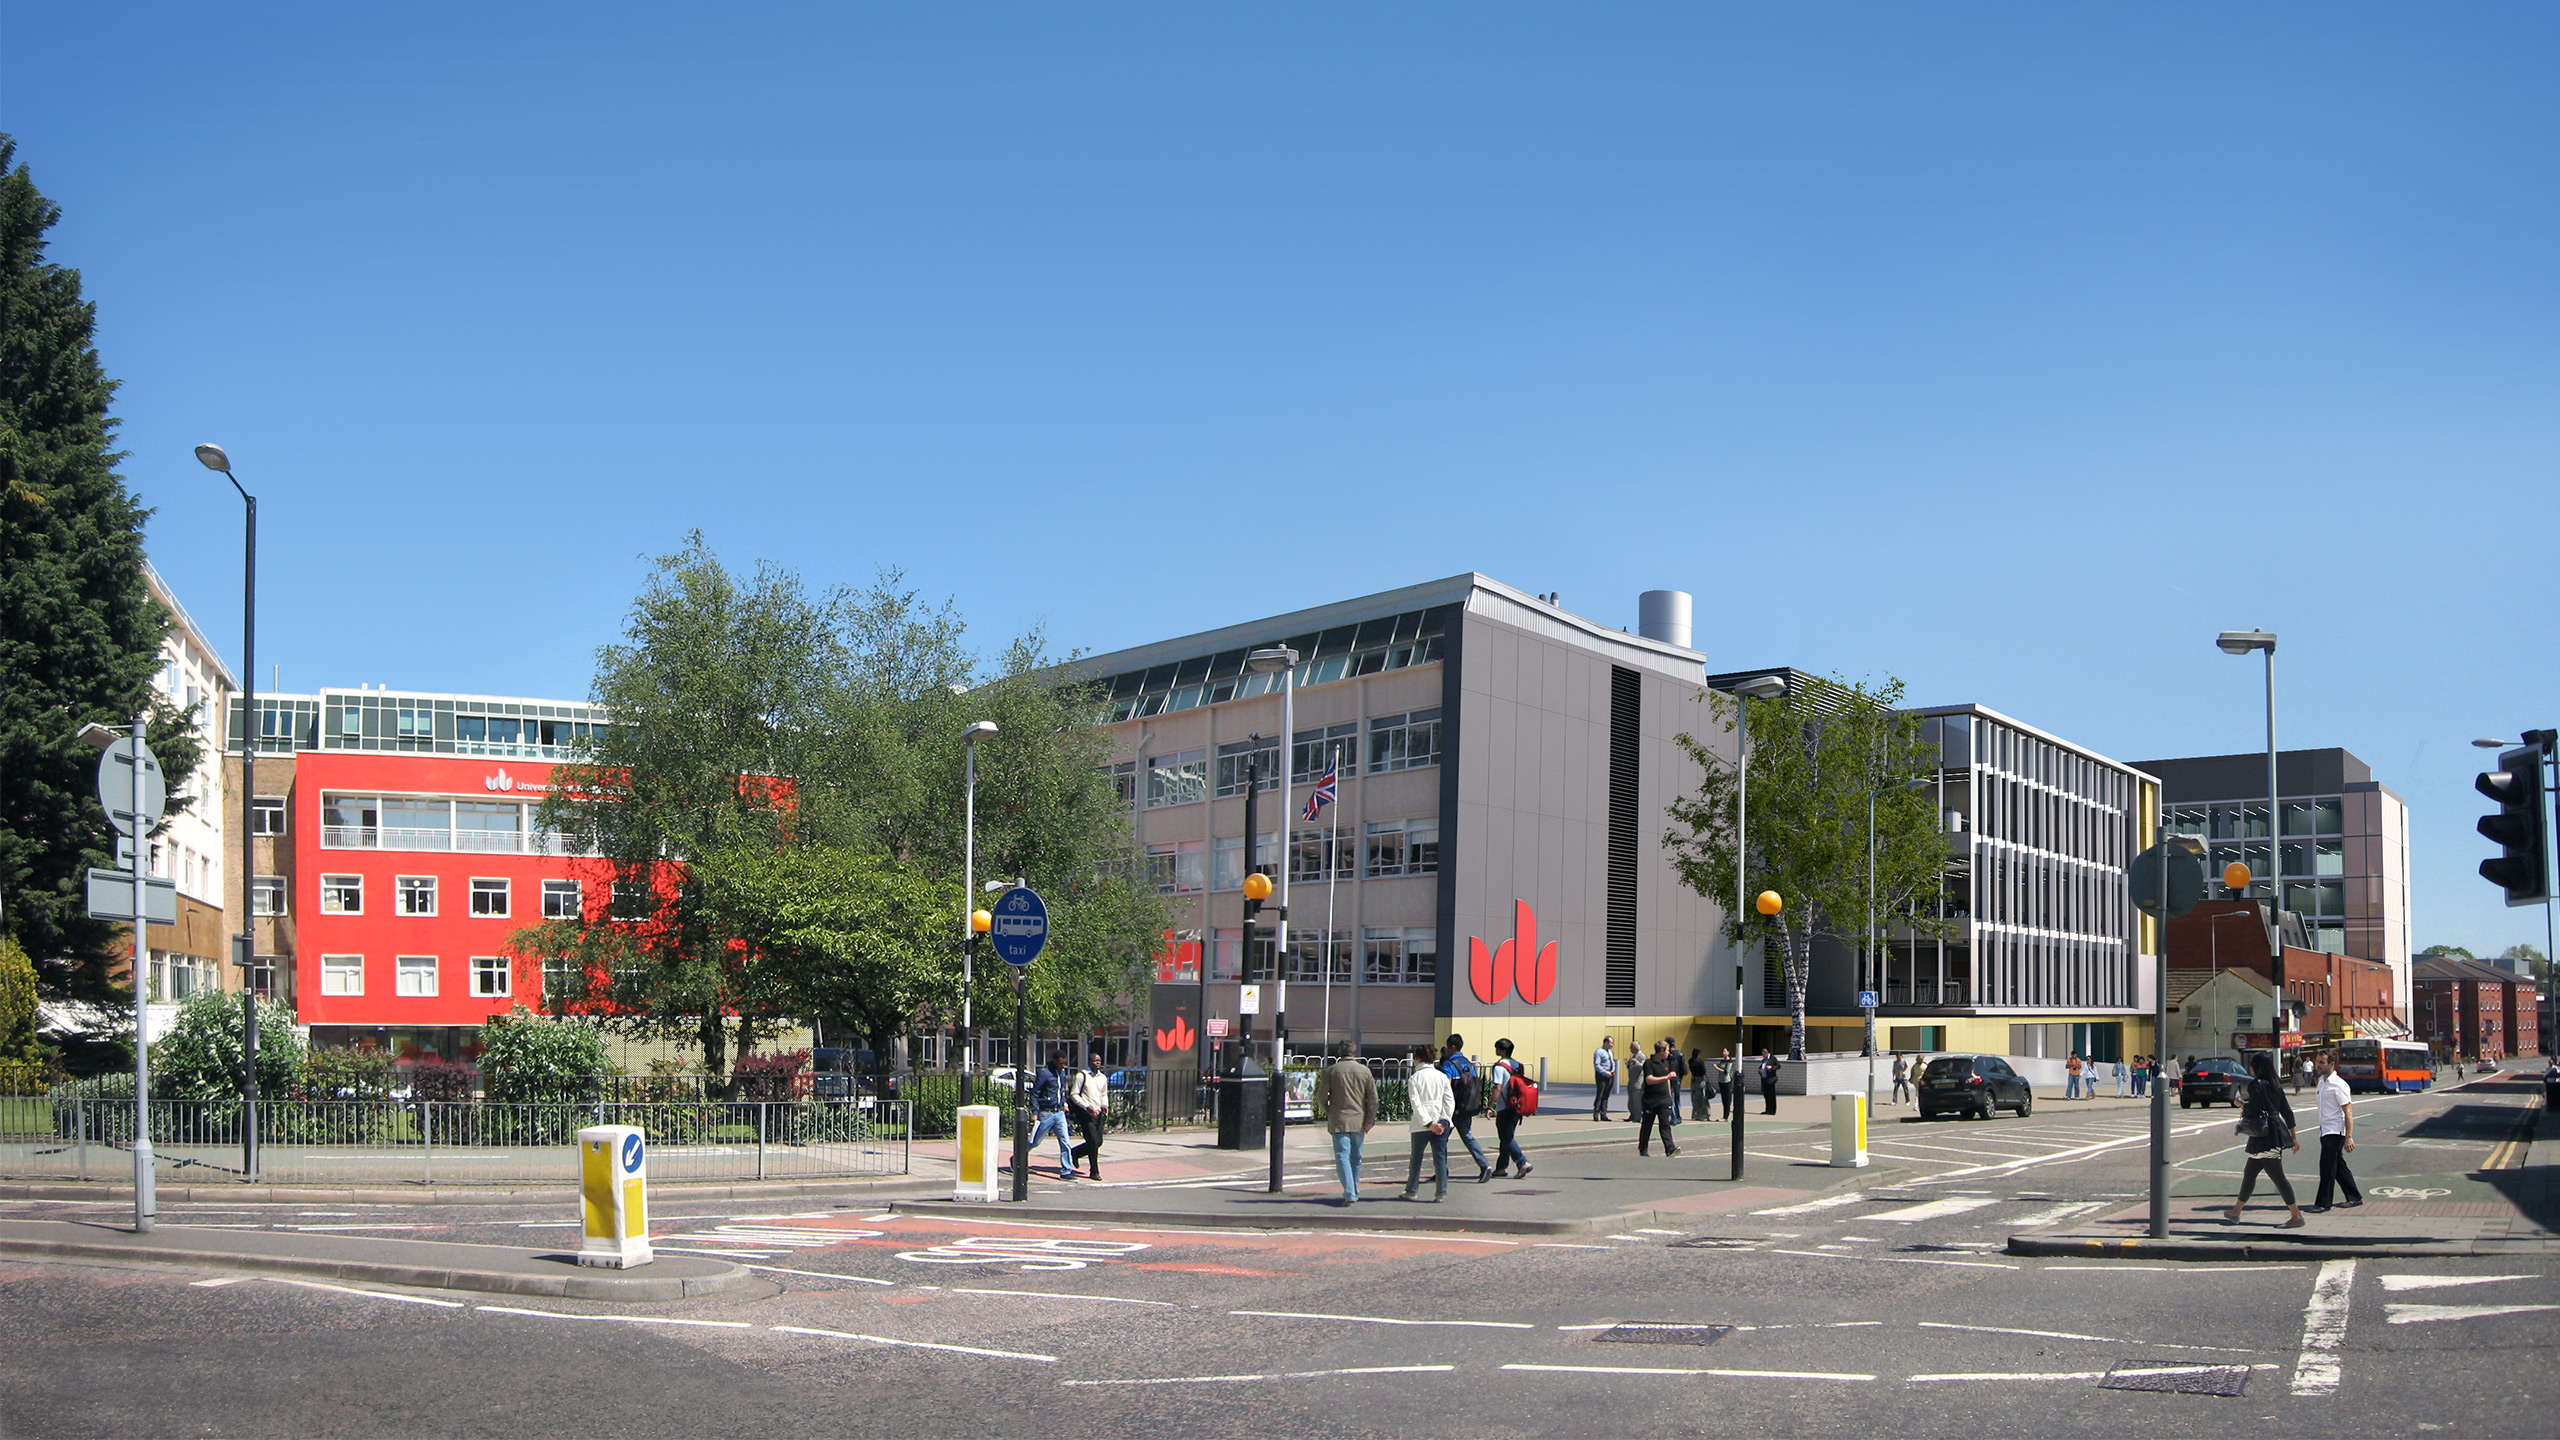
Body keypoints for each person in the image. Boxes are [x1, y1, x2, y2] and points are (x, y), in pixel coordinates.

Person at [2228, 1051, 2304, 1228]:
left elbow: (2253, 1109)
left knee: (2278, 1177)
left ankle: (2296, 1216)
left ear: (2257, 1068)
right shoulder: (2276, 1084)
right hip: (2273, 1133)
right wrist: (2293, 1137)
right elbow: (2287, 1111)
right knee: (2250, 1172)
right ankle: (2236, 1211)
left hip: (2264, 1136)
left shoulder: (2256, 1085)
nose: (2250, 1069)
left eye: (2252, 1066)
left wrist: (2241, 1105)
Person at [1318, 1051, 1378, 1206]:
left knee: (1342, 1156)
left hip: (1339, 1119)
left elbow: (1321, 1097)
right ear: (1354, 1053)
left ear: (1339, 1053)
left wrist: (1329, 1111)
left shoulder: (1331, 1071)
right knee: (1356, 1157)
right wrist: (1370, 1119)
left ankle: (1350, 1191)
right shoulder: (1365, 1071)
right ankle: (1354, 1189)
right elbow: (1373, 1098)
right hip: (1359, 1119)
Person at [2306, 1051, 2362, 1213]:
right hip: (2325, 1131)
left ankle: (2323, 1203)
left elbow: (2348, 1112)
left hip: (2335, 1132)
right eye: (2317, 1061)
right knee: (2338, 1167)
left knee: (2327, 1167)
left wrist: (2349, 1137)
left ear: (2332, 1064)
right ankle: (2354, 1197)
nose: (2318, 1065)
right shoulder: (2321, 1082)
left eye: (2322, 1062)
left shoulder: (2339, 1085)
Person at [1401, 1044, 1455, 1202]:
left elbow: (1416, 1104)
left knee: (1416, 1159)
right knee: (1440, 1159)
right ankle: (1441, 1193)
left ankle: (1411, 1190)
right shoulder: (1442, 1076)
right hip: (1441, 1123)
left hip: (1421, 1125)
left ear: (1417, 1059)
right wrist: (1444, 1121)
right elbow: (1449, 1101)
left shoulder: (1414, 1078)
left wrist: (1428, 1123)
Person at [1439, 1034, 1493, 1181]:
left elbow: (1446, 1086)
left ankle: (1441, 1170)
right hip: (1467, 1107)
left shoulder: (1448, 1065)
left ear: (1452, 1047)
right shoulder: (1469, 1064)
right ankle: (1484, 1166)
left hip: (1452, 1108)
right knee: (1468, 1137)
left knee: (1441, 1139)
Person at [1486, 1038, 1533, 1179]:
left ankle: (1522, 1162)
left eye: (1498, 1048)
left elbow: (1498, 1088)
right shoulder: (1518, 1065)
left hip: (1504, 1106)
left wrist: (1489, 1106)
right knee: (1506, 1136)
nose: (1496, 1050)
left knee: (1506, 1138)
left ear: (1503, 1050)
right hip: (1516, 1104)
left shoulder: (1499, 1067)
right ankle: (1501, 1167)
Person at [1028, 1055, 1077, 1181]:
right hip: (1046, 1112)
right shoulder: (1044, 1073)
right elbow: (1035, 1092)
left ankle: (1066, 1171)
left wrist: (1064, 1103)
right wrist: (1034, 1112)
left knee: (1065, 1142)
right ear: (1054, 1061)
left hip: (1059, 1112)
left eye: (1064, 1063)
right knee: (1035, 1141)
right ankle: (1017, 1158)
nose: (1063, 1066)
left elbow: (1060, 1091)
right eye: (1061, 1063)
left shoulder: (1062, 1073)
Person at [1066, 1051, 1112, 1180]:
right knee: (1092, 1141)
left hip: (1099, 1113)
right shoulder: (1082, 1076)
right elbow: (1074, 1094)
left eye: (1099, 1060)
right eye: (1094, 1060)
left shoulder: (1103, 1078)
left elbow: (1104, 1093)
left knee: (1098, 1142)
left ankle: (1075, 1153)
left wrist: (1105, 1105)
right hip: (1087, 1114)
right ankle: (1094, 1171)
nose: (1097, 1062)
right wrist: (1086, 1106)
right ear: (1089, 1062)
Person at [1637, 1039, 1682, 1156]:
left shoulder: (1666, 1063)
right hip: (1650, 1100)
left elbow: (1667, 1082)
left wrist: (1669, 1096)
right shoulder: (1649, 1063)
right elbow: (1649, 1079)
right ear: (1662, 1051)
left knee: (1665, 1124)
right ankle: (1643, 1148)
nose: (1669, 1053)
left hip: (1663, 1100)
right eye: (1667, 1050)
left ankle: (1670, 1149)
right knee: (1647, 1126)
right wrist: (1666, 1077)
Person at [1591, 1036, 1618, 1121]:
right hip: (1601, 1076)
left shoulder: (1610, 1052)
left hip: (1610, 1075)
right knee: (1600, 1094)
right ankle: (1596, 1113)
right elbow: (1597, 1065)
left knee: (1606, 1095)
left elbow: (1612, 1062)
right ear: (1606, 1043)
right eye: (1610, 1043)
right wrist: (1605, 1073)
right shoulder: (1599, 1052)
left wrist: (1612, 1071)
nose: (1612, 1045)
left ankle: (1604, 1113)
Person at [1716, 1047, 1739, 1121]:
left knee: (1727, 1099)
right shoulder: (1722, 1061)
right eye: (1723, 1051)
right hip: (1721, 1081)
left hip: (1727, 1082)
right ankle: (1724, 1115)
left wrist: (1716, 1067)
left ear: (1728, 1052)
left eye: (1725, 1051)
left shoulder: (1729, 1062)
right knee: (1723, 1099)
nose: (1723, 1053)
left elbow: (1726, 1071)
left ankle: (1726, 1116)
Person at [1689, 1048, 1708, 1121]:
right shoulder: (1700, 1061)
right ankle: (1702, 1114)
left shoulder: (1690, 1061)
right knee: (1702, 1097)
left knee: (1694, 1098)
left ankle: (1694, 1114)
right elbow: (1704, 1071)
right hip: (1700, 1079)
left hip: (1693, 1079)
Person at [1759, 1048, 1780, 1115]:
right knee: (1766, 1095)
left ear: (1766, 1053)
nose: (1762, 1055)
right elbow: (1761, 1067)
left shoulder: (1772, 1058)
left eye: (1763, 1054)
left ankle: (1772, 1110)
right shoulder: (1764, 1060)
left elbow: (1778, 1066)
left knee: (1771, 1095)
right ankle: (1767, 1109)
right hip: (1764, 1079)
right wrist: (1759, 1071)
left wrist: (1771, 1067)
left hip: (1771, 1079)